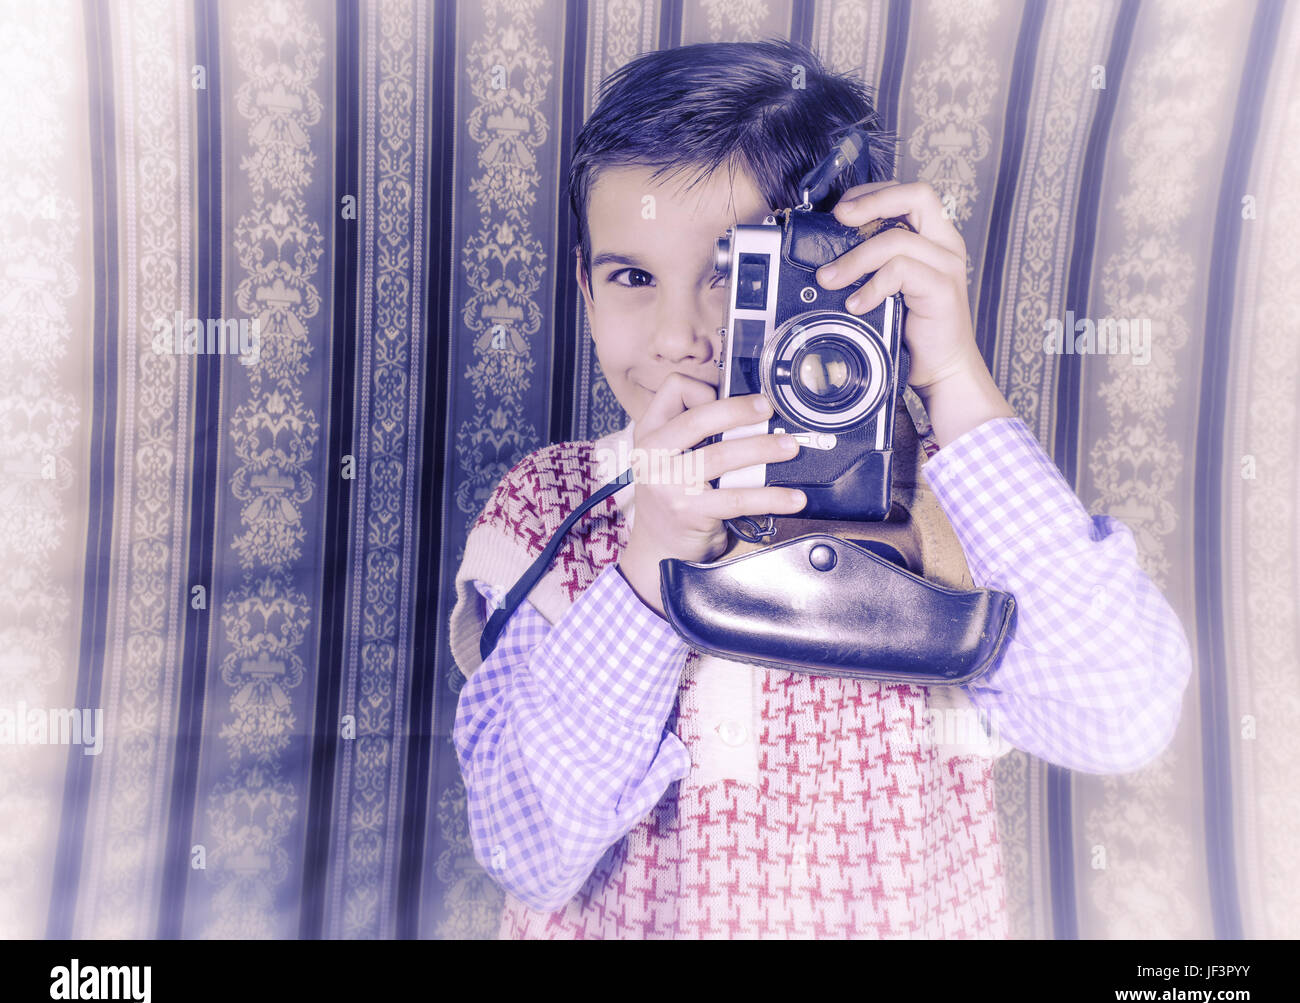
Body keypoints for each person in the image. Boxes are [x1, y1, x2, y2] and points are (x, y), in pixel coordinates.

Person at [447, 38, 1191, 939]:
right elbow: (527, 851)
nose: (681, 333)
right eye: (634, 277)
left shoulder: (955, 506)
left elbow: (1120, 714)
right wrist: (645, 568)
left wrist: (953, 377)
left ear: (847, 265)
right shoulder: (551, 506)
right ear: (585, 286)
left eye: (735, 271)